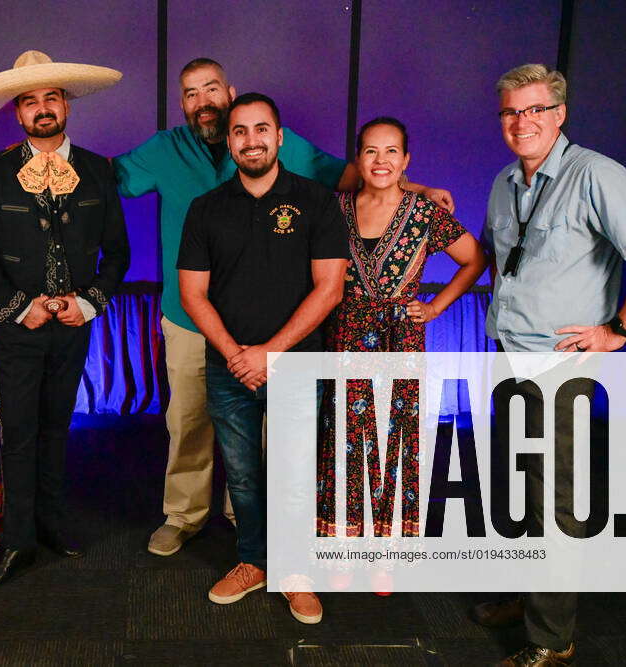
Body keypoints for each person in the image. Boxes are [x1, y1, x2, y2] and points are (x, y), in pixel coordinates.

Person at [115, 58, 455, 557]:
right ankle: (184, 514)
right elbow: (109, 179)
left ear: (232, 94)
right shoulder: (165, 149)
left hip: (272, 327)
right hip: (192, 320)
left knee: (263, 435)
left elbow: (349, 176)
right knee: (188, 422)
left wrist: (416, 189)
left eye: (211, 89)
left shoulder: (282, 143)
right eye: (190, 93)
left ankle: (246, 518)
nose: (203, 101)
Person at [473, 64, 626, 666]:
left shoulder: (596, 174)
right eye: (511, 112)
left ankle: (552, 641)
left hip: (560, 368)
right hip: (510, 354)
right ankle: (528, 595)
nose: (521, 122)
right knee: (517, 485)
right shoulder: (506, 181)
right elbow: (497, 254)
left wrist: (619, 331)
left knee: (554, 497)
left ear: (559, 115)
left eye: (535, 110)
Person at [0, 50, 130, 587]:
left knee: (58, 427)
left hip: (73, 326)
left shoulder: (97, 170)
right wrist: (18, 307)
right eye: (29, 101)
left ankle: (52, 523)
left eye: (50, 97)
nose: (42, 108)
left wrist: (89, 302)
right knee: (18, 433)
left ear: (66, 104)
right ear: (17, 112)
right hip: (16, 329)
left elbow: (119, 253)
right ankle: (17, 540)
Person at [177, 92, 349, 624]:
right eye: (240, 131)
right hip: (230, 367)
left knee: (295, 473)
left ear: (279, 136)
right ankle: (253, 561)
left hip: (296, 363)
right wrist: (237, 355)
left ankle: (295, 573)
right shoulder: (206, 209)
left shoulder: (317, 201)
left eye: (261, 129)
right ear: (229, 142)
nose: (251, 140)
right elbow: (193, 295)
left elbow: (330, 288)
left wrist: (270, 353)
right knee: (244, 476)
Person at [315, 118, 486, 571]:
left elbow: (475, 260)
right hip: (346, 334)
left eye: (391, 151)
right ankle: (342, 547)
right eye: (371, 151)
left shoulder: (424, 213)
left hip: (400, 337)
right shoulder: (335, 209)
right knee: (345, 437)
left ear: (406, 160)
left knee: (395, 439)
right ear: (358, 159)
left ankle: (387, 553)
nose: (381, 160)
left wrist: (434, 308)